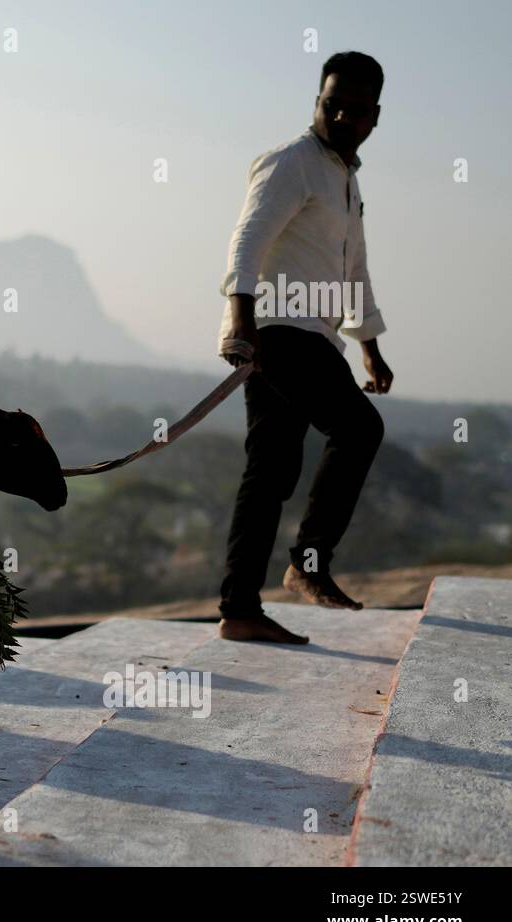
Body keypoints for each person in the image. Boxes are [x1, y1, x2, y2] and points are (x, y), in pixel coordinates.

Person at [217, 52, 393, 644]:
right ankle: (308, 563)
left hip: (311, 333)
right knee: (359, 428)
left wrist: (368, 344)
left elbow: (355, 268)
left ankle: (239, 610)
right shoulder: (291, 162)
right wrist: (242, 320)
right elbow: (248, 239)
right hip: (278, 327)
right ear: (317, 101)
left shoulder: (345, 179)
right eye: (329, 103)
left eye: (355, 108)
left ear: (374, 116)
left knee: (270, 470)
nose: (341, 114)